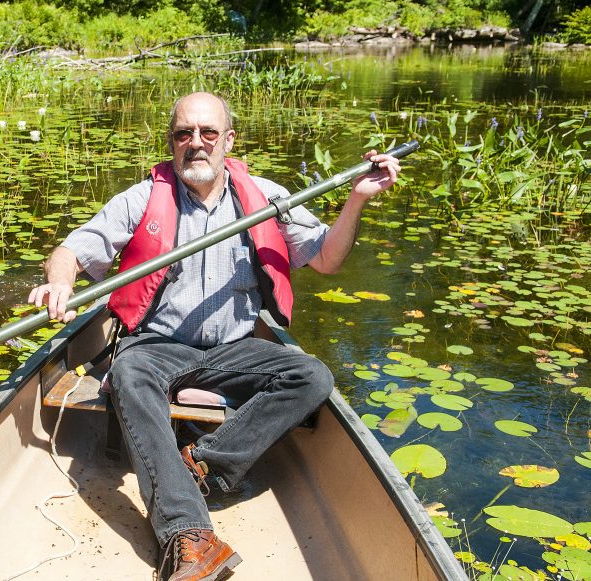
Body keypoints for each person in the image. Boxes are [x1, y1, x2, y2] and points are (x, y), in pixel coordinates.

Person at [28, 92, 401, 581]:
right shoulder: (143, 198)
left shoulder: (267, 197)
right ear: (171, 142)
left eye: (208, 133)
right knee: (127, 373)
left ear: (228, 140)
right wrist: (60, 280)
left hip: (234, 348)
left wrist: (357, 198)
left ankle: (202, 465)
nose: (196, 144)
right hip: (157, 345)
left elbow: (327, 259)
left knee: (311, 375)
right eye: (184, 134)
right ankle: (188, 534)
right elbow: (73, 248)